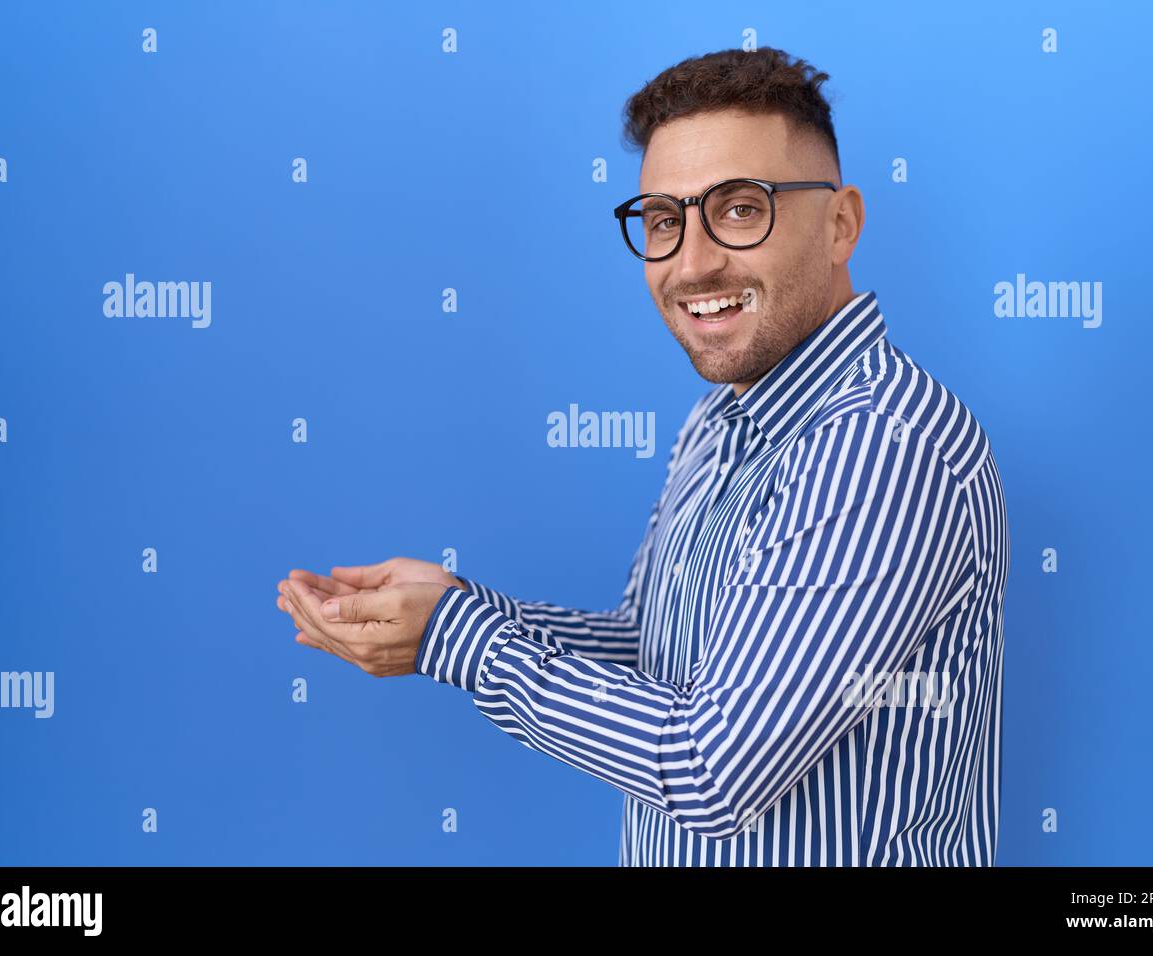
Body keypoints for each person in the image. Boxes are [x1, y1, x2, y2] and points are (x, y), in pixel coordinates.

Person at [277, 47, 1009, 866]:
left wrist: (455, 638)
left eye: (740, 209)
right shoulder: (718, 420)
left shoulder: (880, 445)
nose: (693, 263)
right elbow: (650, 649)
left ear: (841, 223)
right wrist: (457, 604)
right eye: (664, 221)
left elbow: (716, 772)